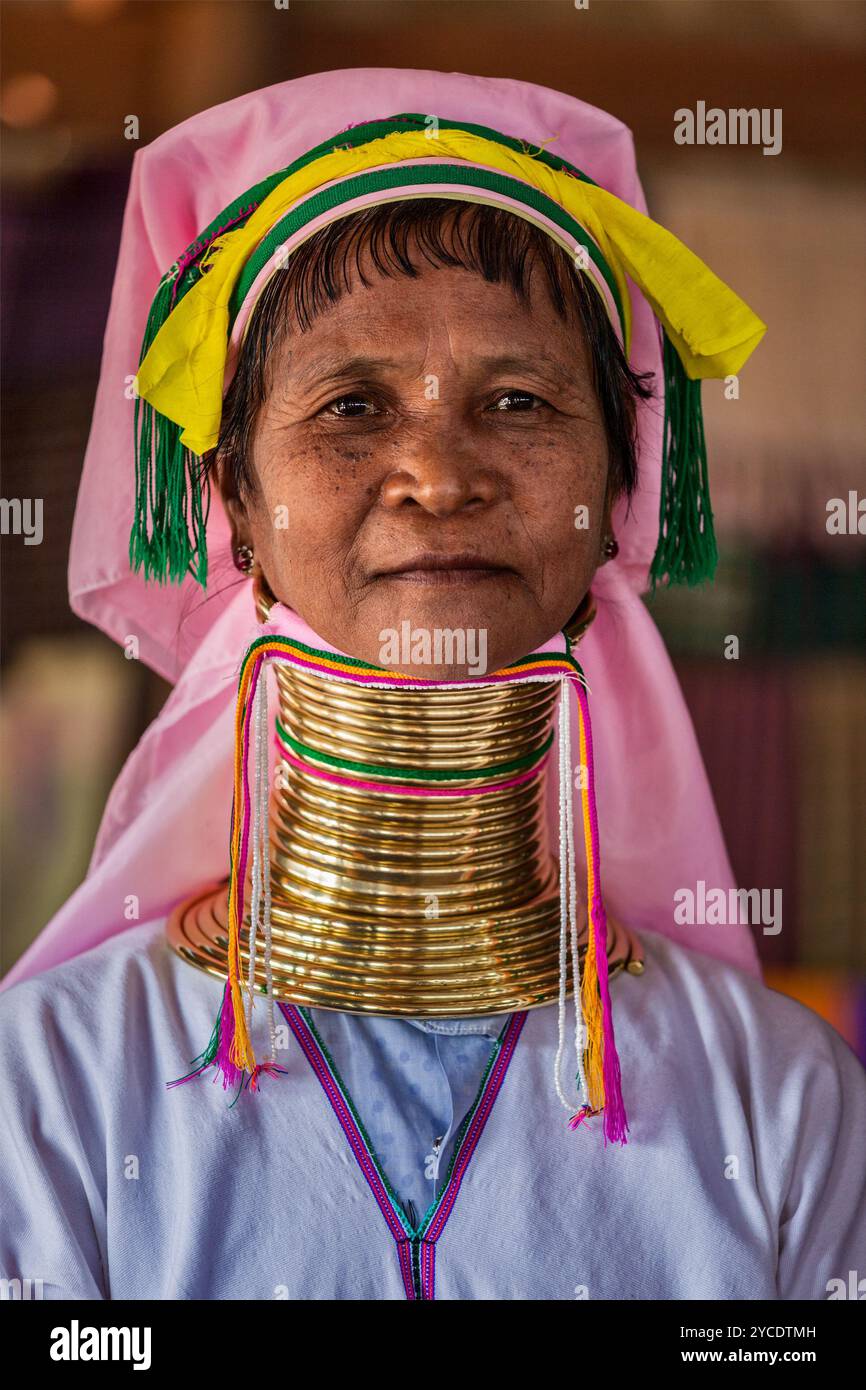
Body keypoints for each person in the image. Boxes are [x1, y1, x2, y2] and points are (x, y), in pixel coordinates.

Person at [1, 69, 863, 1302]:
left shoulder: (777, 1101)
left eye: (518, 401)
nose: (436, 475)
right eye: (350, 405)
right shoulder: (49, 1094)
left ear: (615, 493)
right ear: (233, 500)